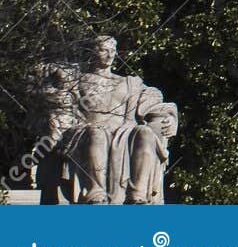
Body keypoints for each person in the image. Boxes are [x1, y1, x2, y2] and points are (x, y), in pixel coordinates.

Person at [37, 36, 177, 205]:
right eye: (104, 50)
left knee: (145, 133)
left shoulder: (129, 82)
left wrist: (169, 117)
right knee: (97, 133)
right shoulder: (77, 81)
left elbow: (155, 103)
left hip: (125, 130)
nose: (110, 55)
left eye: (113, 51)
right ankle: (95, 193)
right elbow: (60, 104)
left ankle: (137, 195)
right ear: (92, 52)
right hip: (87, 129)